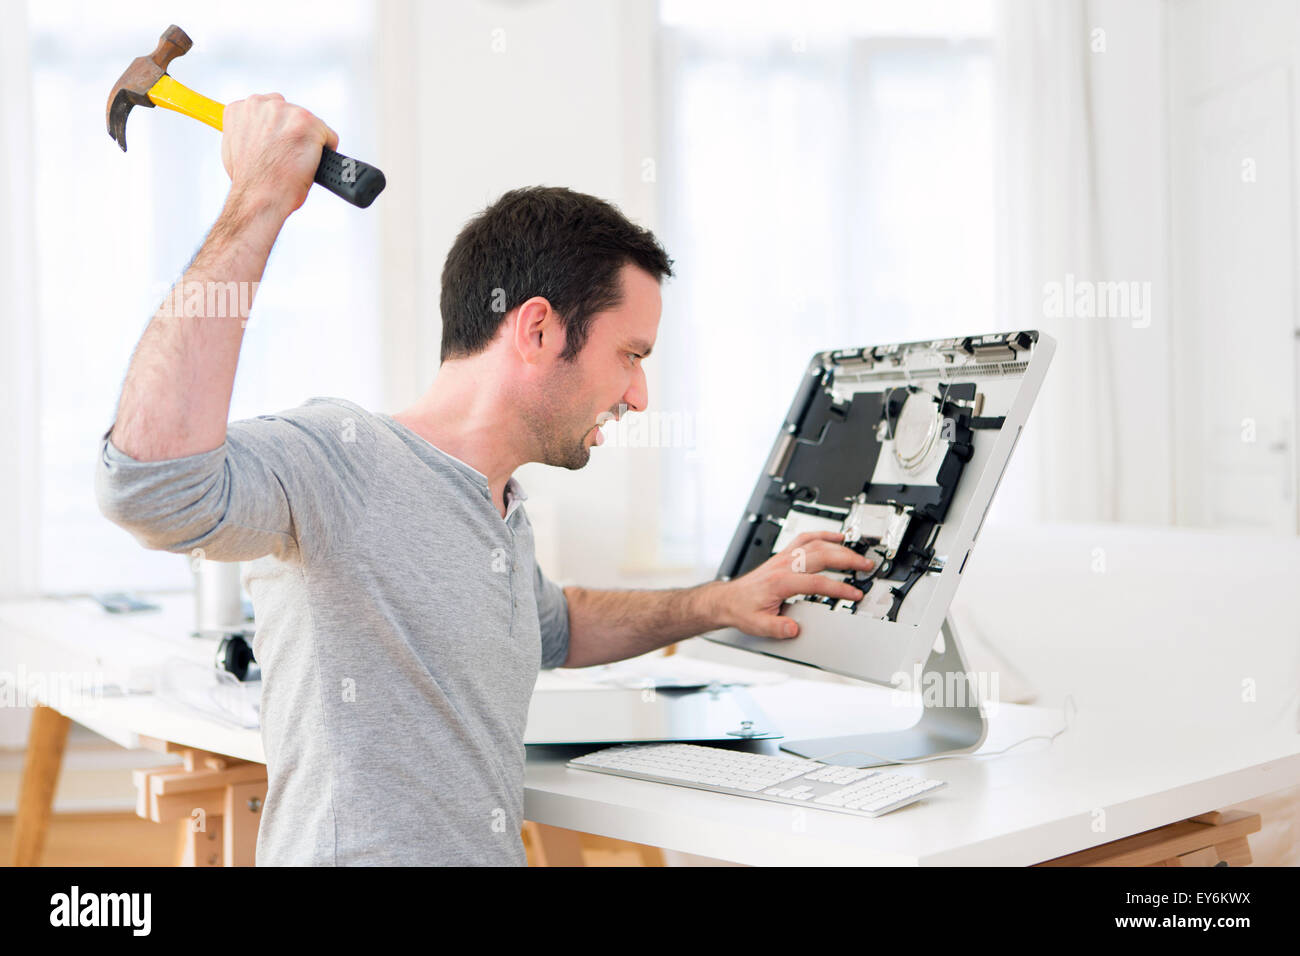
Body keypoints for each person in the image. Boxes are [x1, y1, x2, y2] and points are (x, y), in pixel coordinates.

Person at [96, 94, 873, 865]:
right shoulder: (342, 459)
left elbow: (555, 627)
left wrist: (724, 601)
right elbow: (150, 486)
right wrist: (258, 199)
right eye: (630, 356)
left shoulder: (497, 507)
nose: (639, 396)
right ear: (537, 330)